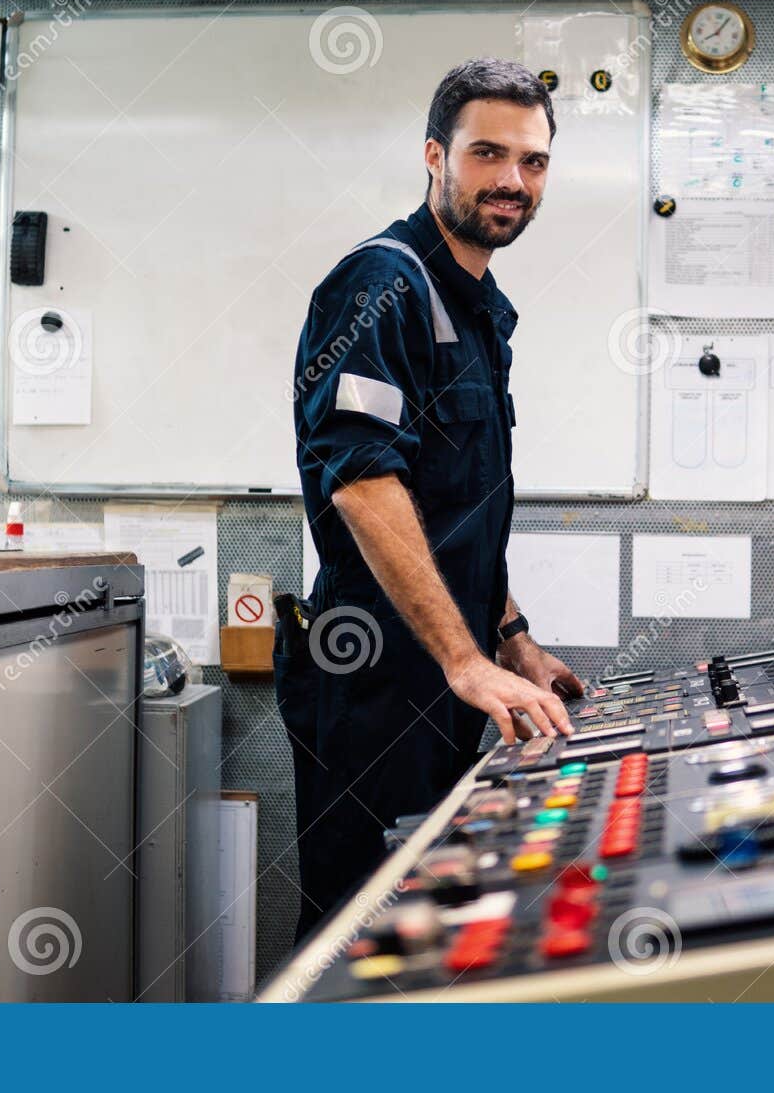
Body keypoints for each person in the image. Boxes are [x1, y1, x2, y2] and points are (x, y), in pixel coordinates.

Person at [278, 58, 582, 938]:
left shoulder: (483, 308)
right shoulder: (382, 285)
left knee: (425, 933)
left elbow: (456, 511)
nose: (512, 181)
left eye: (533, 161)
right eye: (488, 153)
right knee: (362, 934)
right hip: (376, 676)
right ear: (433, 156)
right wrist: (462, 657)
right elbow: (365, 483)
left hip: (449, 674)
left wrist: (510, 638)